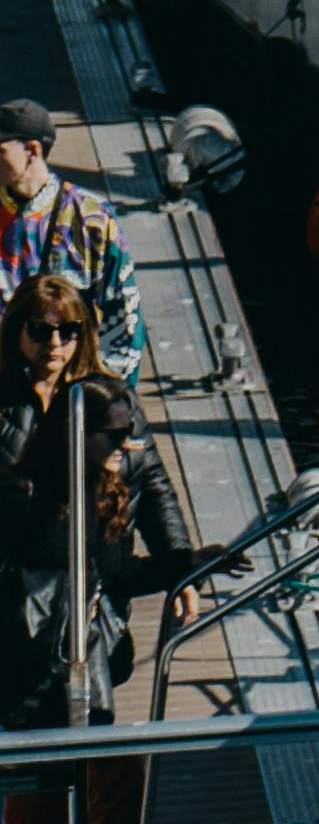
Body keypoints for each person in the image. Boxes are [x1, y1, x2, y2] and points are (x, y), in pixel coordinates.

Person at [0, 276, 184, 719]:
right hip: (19, 594)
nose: (55, 344)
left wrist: (180, 563)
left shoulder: (111, 398)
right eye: (40, 331)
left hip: (96, 581)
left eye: (68, 332)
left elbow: (152, 480)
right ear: (16, 332)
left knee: (88, 696)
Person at [0, 102, 144, 394]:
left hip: (72, 389)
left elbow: (122, 314)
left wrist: (112, 397)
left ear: (33, 151)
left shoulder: (91, 219)